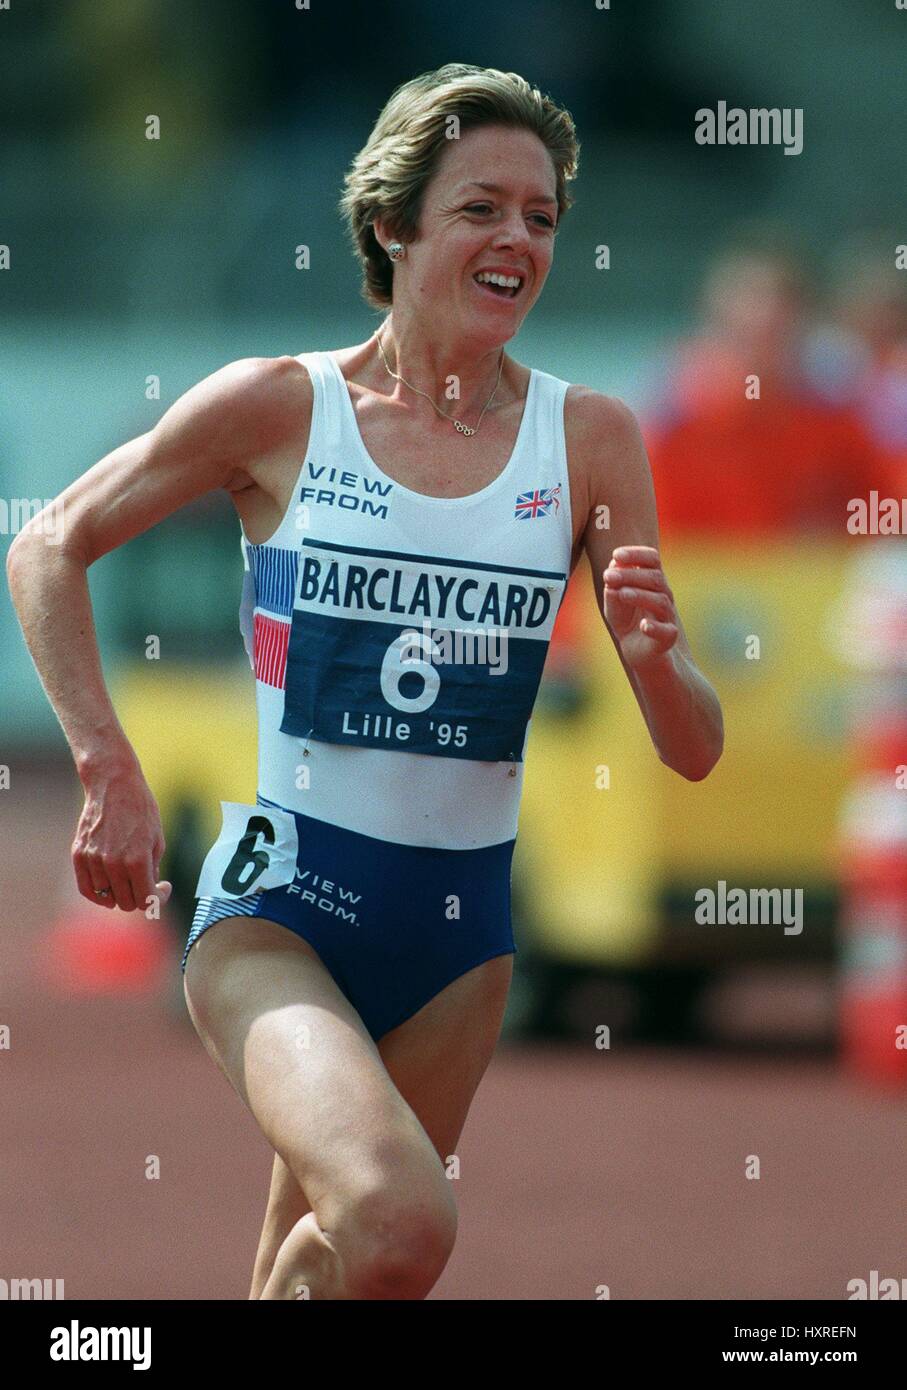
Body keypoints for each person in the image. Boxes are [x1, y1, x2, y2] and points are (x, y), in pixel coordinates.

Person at [6, 63, 723, 1300]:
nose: (518, 239)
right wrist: (105, 766)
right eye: (481, 208)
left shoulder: (589, 437)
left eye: (541, 217)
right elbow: (48, 542)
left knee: (341, 1276)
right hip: (281, 909)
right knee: (399, 1221)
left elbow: (694, 747)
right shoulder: (282, 407)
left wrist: (660, 667)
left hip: (462, 943)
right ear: (391, 226)